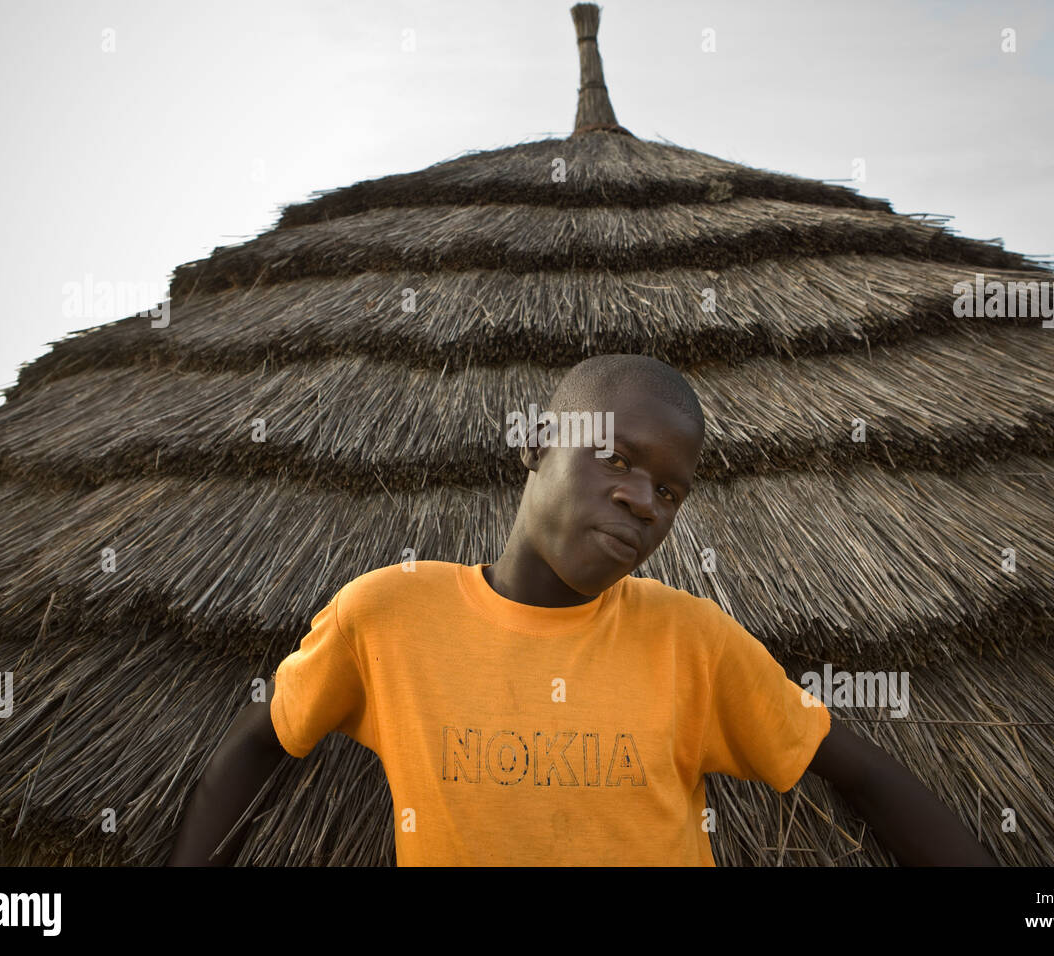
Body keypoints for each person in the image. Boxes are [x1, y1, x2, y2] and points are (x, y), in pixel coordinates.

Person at [167, 354, 995, 866]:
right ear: (534, 443)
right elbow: (256, 746)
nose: (641, 502)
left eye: (669, 491)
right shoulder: (387, 617)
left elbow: (861, 772)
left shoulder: (692, 640)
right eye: (615, 458)